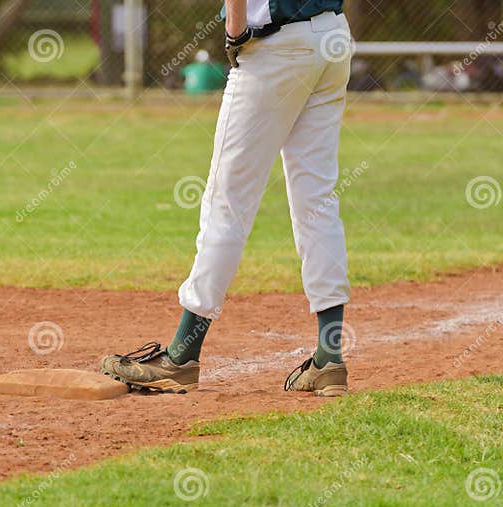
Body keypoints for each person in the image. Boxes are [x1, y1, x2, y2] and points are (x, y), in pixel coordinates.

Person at [101, 0, 353, 397]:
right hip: (332, 37)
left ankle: (182, 354)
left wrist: (235, 33)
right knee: (318, 200)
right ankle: (329, 356)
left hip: (276, 45)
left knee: (227, 203)